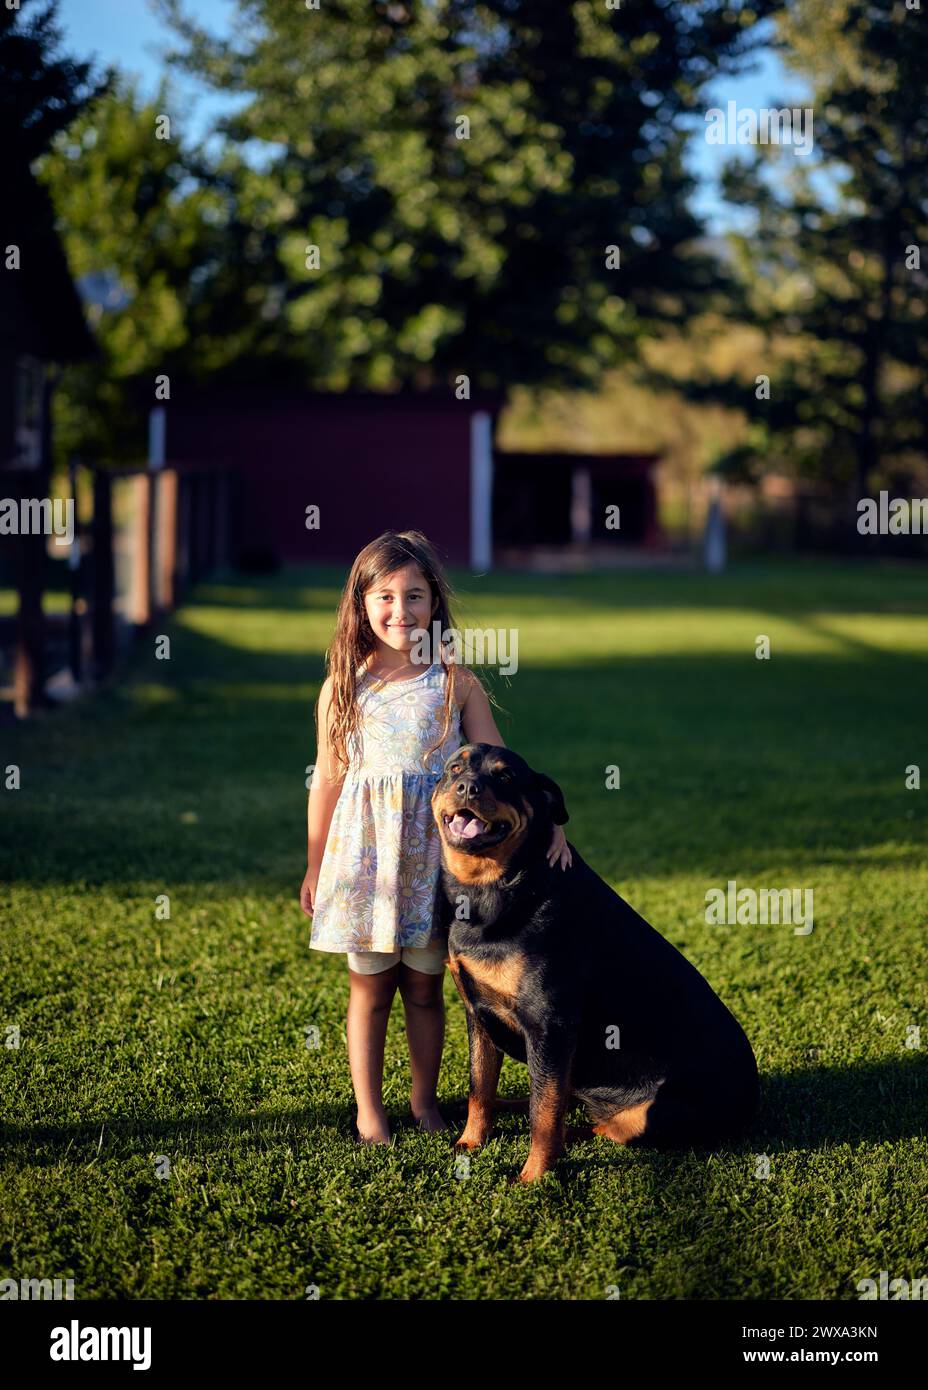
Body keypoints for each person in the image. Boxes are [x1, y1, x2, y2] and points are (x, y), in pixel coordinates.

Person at [299, 529, 572, 1144]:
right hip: (367, 863)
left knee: (425, 988)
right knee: (369, 990)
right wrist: (315, 865)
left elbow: (500, 764)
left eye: (415, 595)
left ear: (435, 604)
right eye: (386, 596)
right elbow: (326, 780)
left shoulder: (454, 681)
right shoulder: (344, 686)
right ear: (361, 604)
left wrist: (550, 820)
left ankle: (425, 1102)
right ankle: (370, 1113)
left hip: (436, 864)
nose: (401, 611)